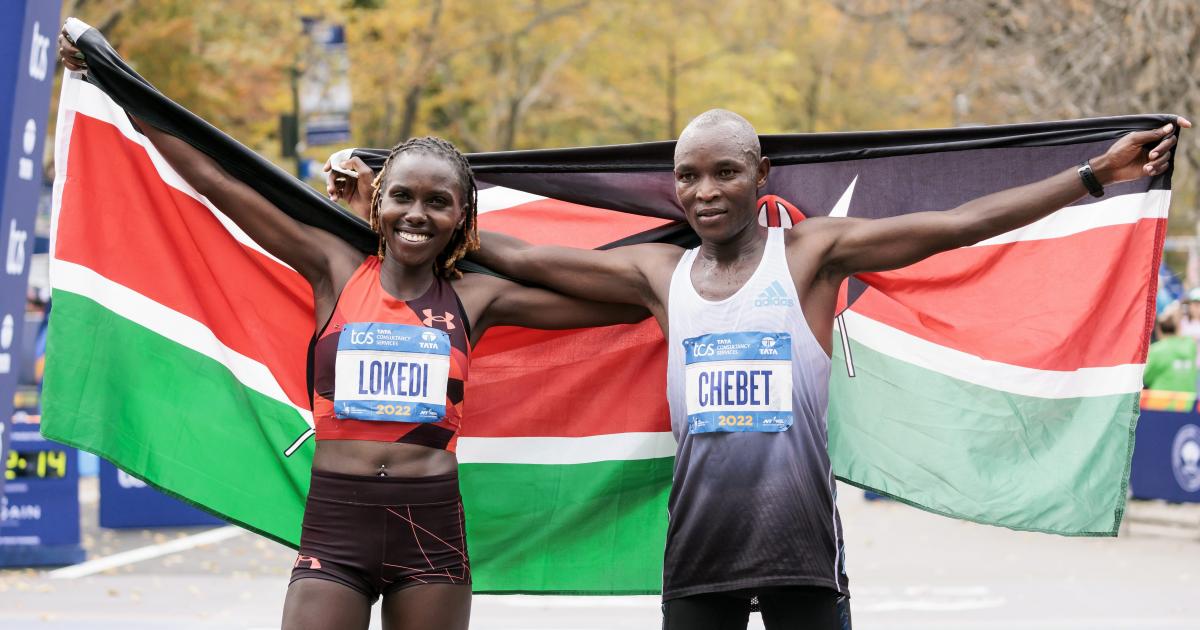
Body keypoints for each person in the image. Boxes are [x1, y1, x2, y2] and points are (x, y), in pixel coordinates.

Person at [345, 108, 1175, 629]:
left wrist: (1093, 176)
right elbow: (520, 255)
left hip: (800, 552)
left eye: (725, 172)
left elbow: (958, 224)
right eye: (688, 177)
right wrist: (390, 209)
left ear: (761, 175)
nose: (704, 191)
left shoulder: (810, 255)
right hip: (698, 556)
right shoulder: (660, 275)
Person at [58, 30, 647, 630]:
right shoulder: (334, 269)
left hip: (430, 530)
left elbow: (625, 303)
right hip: (336, 526)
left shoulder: (476, 297)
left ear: (461, 215)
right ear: (378, 203)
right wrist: (118, 83)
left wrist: (481, 243)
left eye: (438, 203)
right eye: (401, 197)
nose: (417, 214)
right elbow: (218, 183)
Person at [1144, 310, 1198, 395]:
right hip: (1187, 400)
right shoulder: (1190, 346)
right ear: (1178, 329)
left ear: (1159, 330)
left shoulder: (1157, 349)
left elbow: (1146, 377)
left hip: (1162, 399)